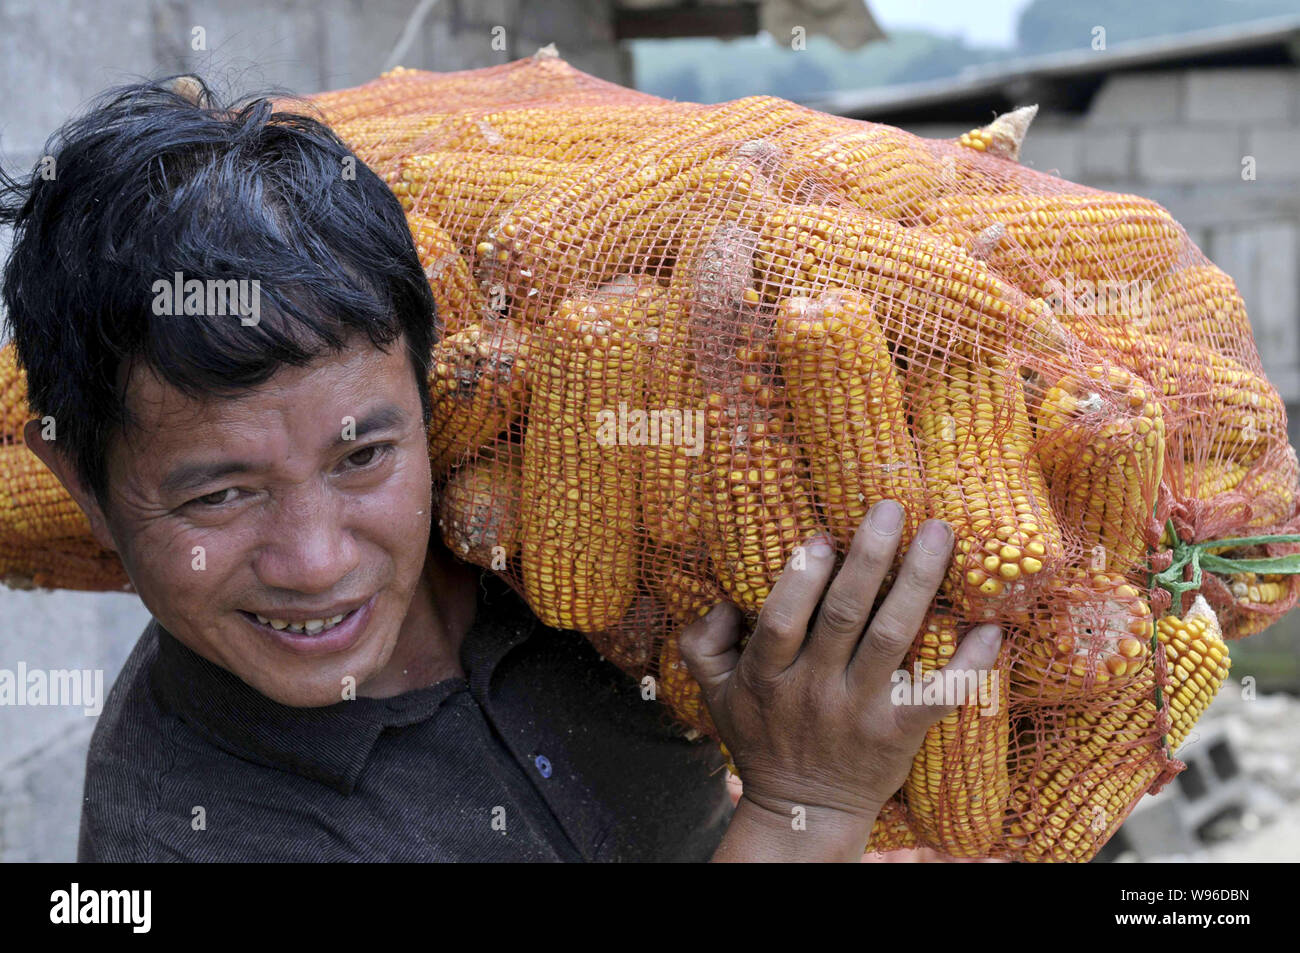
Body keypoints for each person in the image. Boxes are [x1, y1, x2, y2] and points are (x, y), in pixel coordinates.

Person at [0, 75, 1002, 862]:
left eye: (363, 453)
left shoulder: (544, 508)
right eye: (220, 492)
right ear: (77, 478)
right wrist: (806, 806)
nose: (314, 560)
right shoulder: (185, 838)